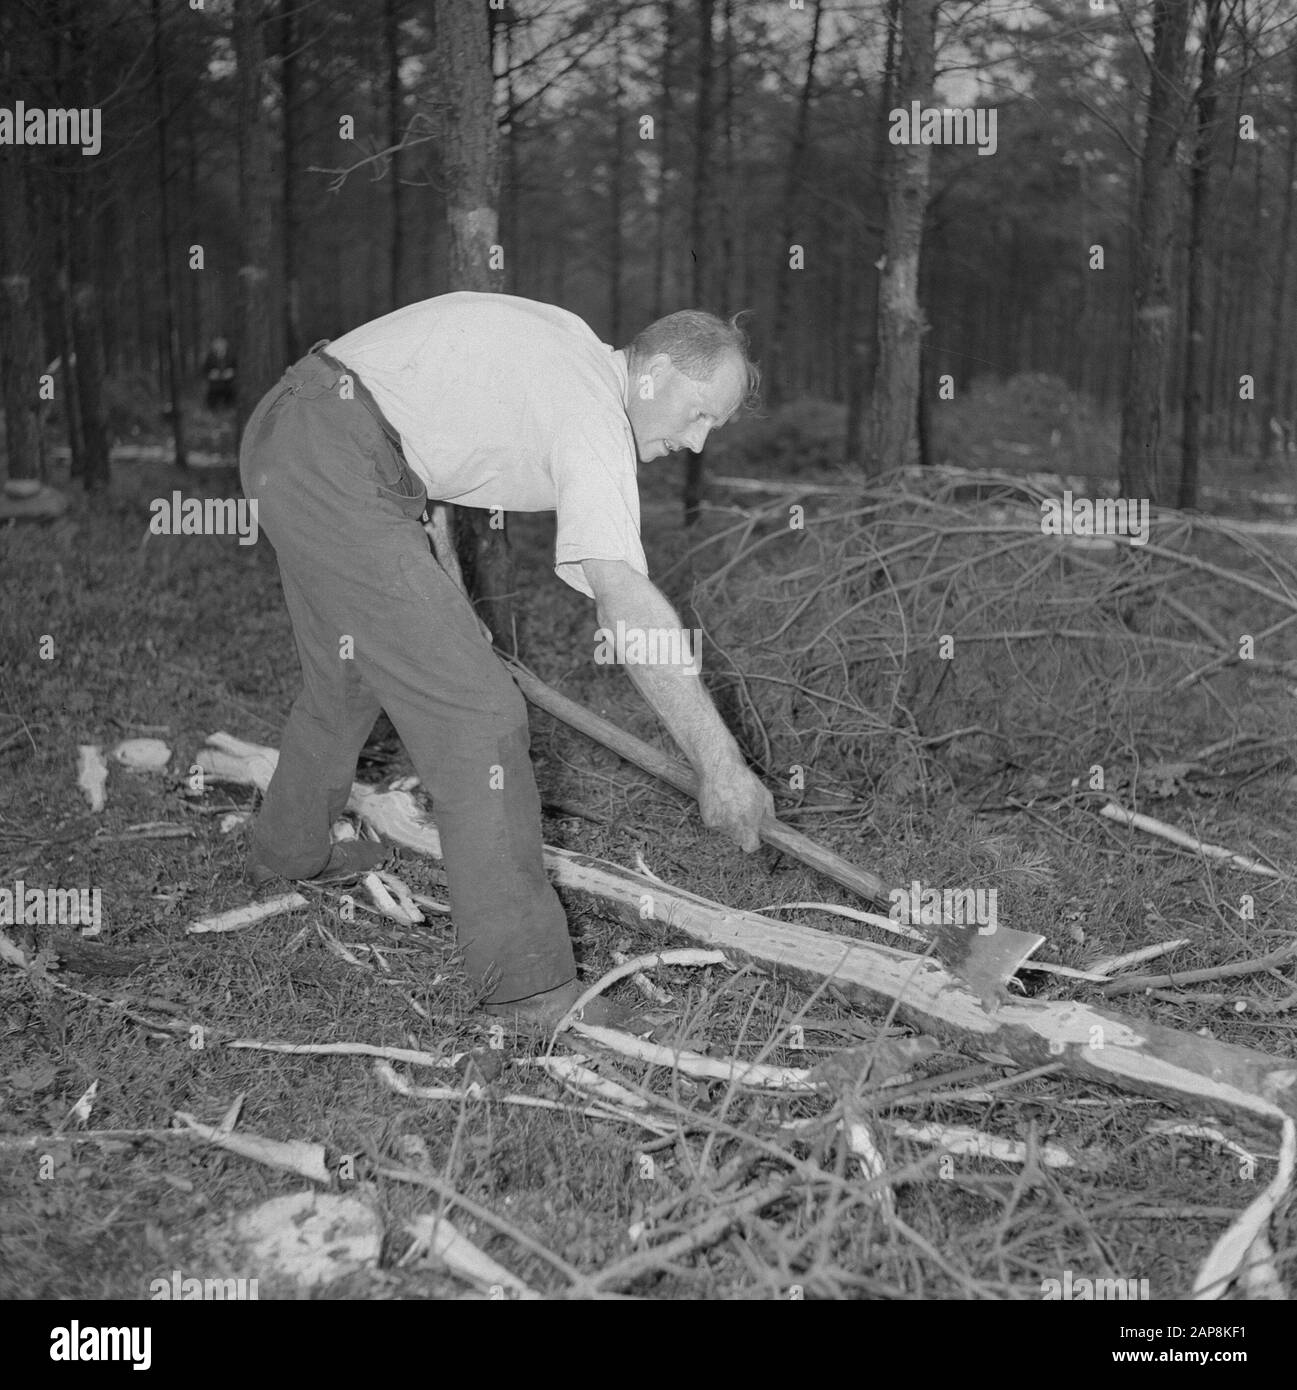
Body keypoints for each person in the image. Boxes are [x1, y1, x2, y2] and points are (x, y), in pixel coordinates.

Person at [238, 292, 774, 1028]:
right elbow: (625, 601)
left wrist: (439, 588)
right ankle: (531, 990)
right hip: (332, 453)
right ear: (654, 371)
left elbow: (432, 423)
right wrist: (720, 764)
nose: (700, 441)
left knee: (348, 675)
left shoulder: (570, 348)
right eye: (700, 413)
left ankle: (287, 849)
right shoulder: (591, 408)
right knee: (478, 715)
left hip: (301, 435)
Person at [203, 336, 237, 411]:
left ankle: (229, 408)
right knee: (212, 394)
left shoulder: (231, 356)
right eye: (217, 346)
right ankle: (212, 410)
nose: (219, 348)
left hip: (228, 384)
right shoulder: (210, 357)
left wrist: (232, 373)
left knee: (230, 393)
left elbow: (236, 368)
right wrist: (210, 374)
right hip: (215, 384)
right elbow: (204, 370)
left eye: (221, 346)